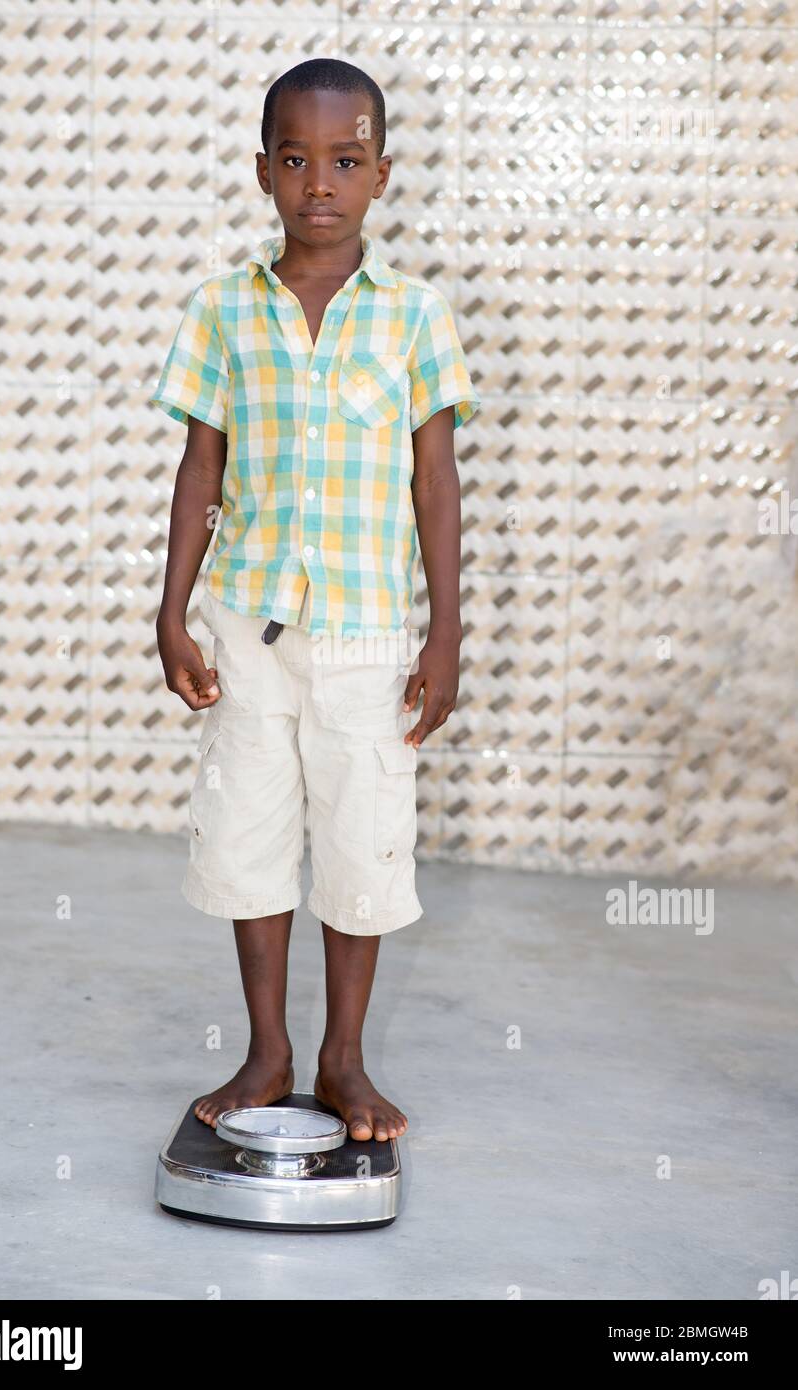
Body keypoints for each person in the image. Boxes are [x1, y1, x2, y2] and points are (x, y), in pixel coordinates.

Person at [150, 58, 479, 1143]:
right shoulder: (223, 311)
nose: (319, 183)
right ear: (263, 172)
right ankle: (267, 1051)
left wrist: (448, 627)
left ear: (382, 175)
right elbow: (201, 471)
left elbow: (437, 479)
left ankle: (342, 1057)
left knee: (361, 835)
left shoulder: (416, 318)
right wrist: (173, 608)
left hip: (368, 633)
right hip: (248, 625)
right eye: (296, 159)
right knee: (247, 829)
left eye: (345, 161)